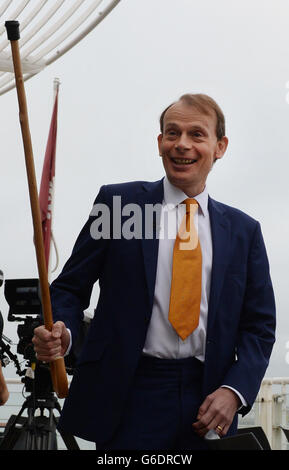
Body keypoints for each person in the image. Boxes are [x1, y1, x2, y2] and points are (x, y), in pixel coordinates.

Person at [32, 93, 276, 450]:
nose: (182, 145)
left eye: (196, 134)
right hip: (128, 394)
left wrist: (235, 391)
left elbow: (259, 326)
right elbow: (69, 288)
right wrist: (62, 331)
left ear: (219, 146)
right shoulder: (118, 206)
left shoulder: (244, 230)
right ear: (159, 142)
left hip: (209, 400)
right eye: (172, 133)